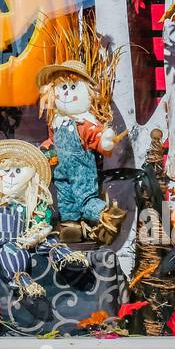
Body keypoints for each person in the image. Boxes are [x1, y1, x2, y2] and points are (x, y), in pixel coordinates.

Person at [0, 139, 90, 300]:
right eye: (6, 170)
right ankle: (22, 280)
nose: (11, 175)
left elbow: (42, 218)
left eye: (18, 171)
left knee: (49, 240)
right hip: (0, 244)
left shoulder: (29, 204)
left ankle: (67, 259)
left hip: (27, 241)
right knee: (10, 249)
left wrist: (37, 232)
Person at [36, 60, 127, 245]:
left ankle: (109, 215)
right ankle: (71, 228)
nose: (66, 92)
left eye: (71, 87)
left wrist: (105, 140)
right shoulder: (56, 122)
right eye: (61, 88)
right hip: (61, 171)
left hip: (81, 170)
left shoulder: (84, 122)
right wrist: (44, 150)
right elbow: (52, 141)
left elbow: (95, 136)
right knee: (66, 200)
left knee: (85, 199)